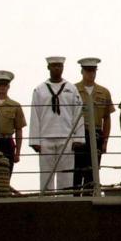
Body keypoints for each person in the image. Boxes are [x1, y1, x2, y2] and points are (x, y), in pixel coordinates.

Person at [29, 56, 85, 192]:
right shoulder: (39, 90)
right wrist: (34, 140)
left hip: (66, 137)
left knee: (66, 175)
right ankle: (46, 201)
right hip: (45, 137)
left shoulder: (71, 89)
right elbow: (35, 115)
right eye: (54, 66)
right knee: (46, 175)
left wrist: (78, 138)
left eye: (59, 66)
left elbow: (78, 113)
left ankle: (65, 201)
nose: (57, 69)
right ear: (48, 67)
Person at [72, 57, 114, 194]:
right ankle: (75, 198)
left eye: (93, 71)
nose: (91, 74)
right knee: (77, 170)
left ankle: (90, 196)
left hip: (96, 134)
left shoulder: (104, 92)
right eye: (88, 71)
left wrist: (105, 141)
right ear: (82, 71)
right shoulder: (73, 90)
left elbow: (107, 118)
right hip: (78, 133)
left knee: (93, 170)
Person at [0, 70, 26, 173]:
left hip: (7, 143)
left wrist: (18, 153)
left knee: (6, 173)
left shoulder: (15, 106)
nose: (2, 87)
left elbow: (19, 130)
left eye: (4, 84)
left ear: (8, 86)